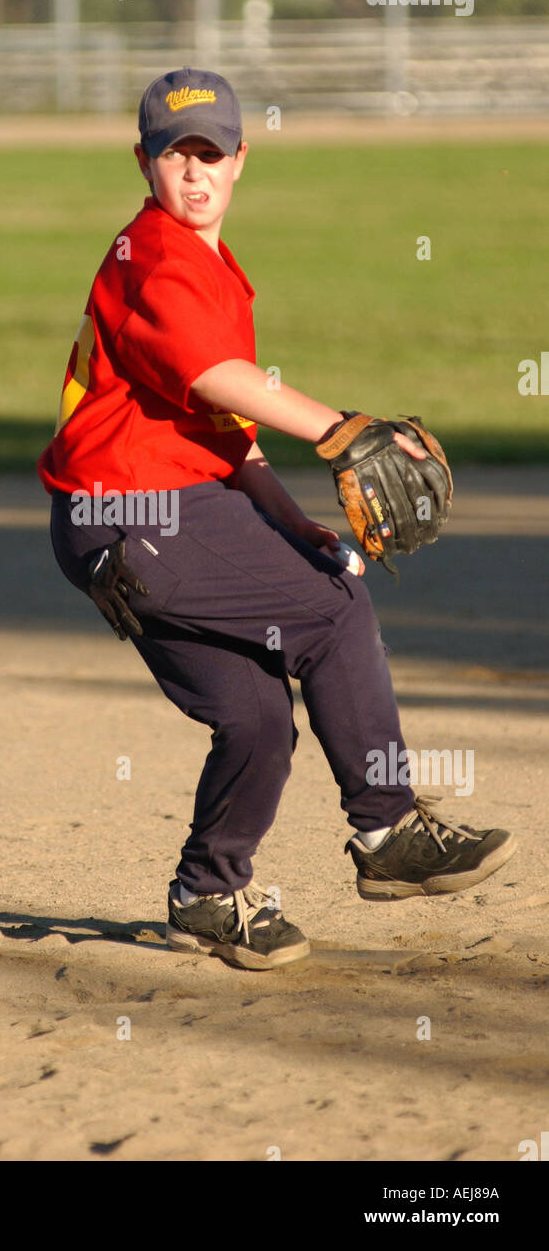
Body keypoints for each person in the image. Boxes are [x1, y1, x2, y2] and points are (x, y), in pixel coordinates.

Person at [37, 67, 516, 971]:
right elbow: (217, 379)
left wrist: (293, 524)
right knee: (333, 614)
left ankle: (206, 895)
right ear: (142, 162)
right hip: (133, 513)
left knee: (254, 713)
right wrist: (342, 430)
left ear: (239, 162)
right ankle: (387, 834)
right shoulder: (157, 258)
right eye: (174, 154)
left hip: (143, 514)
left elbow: (229, 431)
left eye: (210, 153)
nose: (193, 171)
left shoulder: (213, 271)